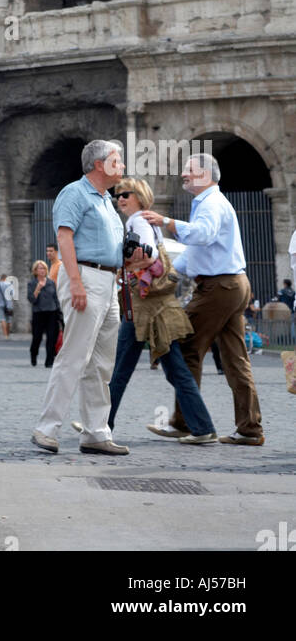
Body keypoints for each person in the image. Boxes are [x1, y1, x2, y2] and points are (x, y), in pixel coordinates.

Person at [141, 153, 263, 446]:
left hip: (218, 288)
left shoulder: (210, 204)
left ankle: (189, 424)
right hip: (233, 285)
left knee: (184, 349)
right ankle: (249, 429)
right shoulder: (211, 203)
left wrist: (167, 221)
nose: (183, 174)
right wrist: (169, 275)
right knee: (236, 360)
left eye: (189, 170)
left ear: (206, 175)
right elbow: (198, 252)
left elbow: (203, 236)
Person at [31, 139, 128, 455]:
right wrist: (74, 283)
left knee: (101, 363)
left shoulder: (106, 201)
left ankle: (96, 432)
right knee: (74, 355)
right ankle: (46, 429)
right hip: (84, 276)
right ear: (99, 164)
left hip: (108, 280)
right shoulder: (74, 193)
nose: (123, 166)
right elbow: (64, 237)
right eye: (118, 160)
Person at [105, 179, 216, 443]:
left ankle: (99, 425)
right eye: (117, 195)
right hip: (153, 307)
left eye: (125, 195)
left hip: (145, 309)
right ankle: (203, 427)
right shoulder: (144, 220)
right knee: (173, 369)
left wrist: (128, 264)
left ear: (139, 196)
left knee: (121, 368)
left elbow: (150, 255)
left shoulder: (137, 221)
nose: (119, 199)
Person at [27, 260, 60, 367]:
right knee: (37, 338)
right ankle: (33, 355)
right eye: (39, 268)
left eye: (44, 268)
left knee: (51, 338)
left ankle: (49, 361)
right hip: (38, 313)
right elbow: (31, 300)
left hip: (52, 312)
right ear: (35, 271)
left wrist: (58, 310)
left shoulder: (51, 283)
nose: (42, 270)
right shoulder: (31, 283)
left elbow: (55, 298)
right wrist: (37, 289)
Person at [0, 273, 14, 338]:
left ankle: (5, 335)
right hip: (9, 305)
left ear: (1, 278)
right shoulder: (10, 285)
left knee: (2, 319)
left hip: (0, 304)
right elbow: (12, 295)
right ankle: (8, 334)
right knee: (9, 320)